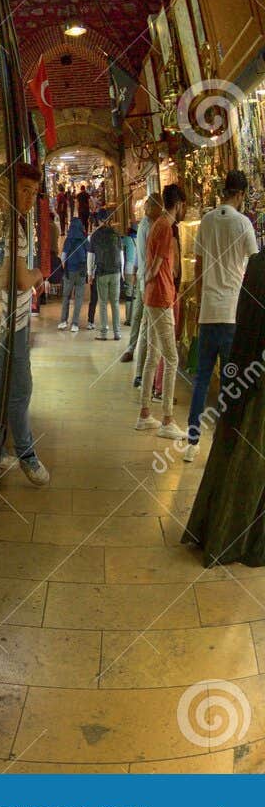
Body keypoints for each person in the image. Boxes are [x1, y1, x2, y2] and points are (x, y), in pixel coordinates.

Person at [183, 246, 265, 564]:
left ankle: (220, 531)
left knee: (236, 452)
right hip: (257, 384)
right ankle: (239, 540)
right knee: (251, 464)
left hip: (246, 374)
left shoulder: (257, 264)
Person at [184, 171, 259, 463]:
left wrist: (202, 303)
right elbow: (253, 268)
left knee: (202, 378)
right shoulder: (243, 224)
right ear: (240, 194)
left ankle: (192, 442)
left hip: (208, 313)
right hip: (231, 312)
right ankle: (222, 442)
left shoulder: (207, 221)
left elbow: (199, 267)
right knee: (229, 378)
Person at [0, 162, 48, 486]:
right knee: (20, 389)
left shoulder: (5, 224)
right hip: (12, 321)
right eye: (24, 190)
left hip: (7, 319)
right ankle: (26, 455)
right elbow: (21, 279)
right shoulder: (14, 228)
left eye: (34, 193)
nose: (28, 198)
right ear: (8, 188)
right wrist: (38, 275)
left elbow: (0, 275)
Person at [136, 183, 188, 439]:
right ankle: (167, 418)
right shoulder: (166, 228)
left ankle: (145, 413)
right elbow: (156, 265)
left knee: (153, 355)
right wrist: (150, 279)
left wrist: (146, 281)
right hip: (161, 297)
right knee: (171, 358)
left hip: (151, 297)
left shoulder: (156, 224)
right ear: (178, 204)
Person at [127, 192, 163, 374]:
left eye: (149, 205)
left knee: (143, 322)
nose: (145, 208)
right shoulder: (146, 226)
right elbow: (144, 253)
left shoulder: (153, 226)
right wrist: (138, 272)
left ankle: (140, 370)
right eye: (146, 205)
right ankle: (136, 359)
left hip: (146, 280)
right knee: (141, 320)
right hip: (146, 280)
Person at [87, 210, 123, 341]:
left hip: (101, 272)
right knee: (115, 303)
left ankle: (103, 332)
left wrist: (89, 274)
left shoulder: (95, 236)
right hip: (115, 272)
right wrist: (122, 272)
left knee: (102, 303)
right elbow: (121, 255)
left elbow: (90, 256)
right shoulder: (116, 234)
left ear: (100, 220)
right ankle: (117, 332)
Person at [59, 206, 90, 333]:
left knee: (66, 296)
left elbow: (63, 256)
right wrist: (89, 271)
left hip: (69, 272)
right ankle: (75, 324)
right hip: (81, 271)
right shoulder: (84, 239)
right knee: (78, 298)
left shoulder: (68, 239)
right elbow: (90, 255)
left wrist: (64, 267)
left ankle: (63, 321)